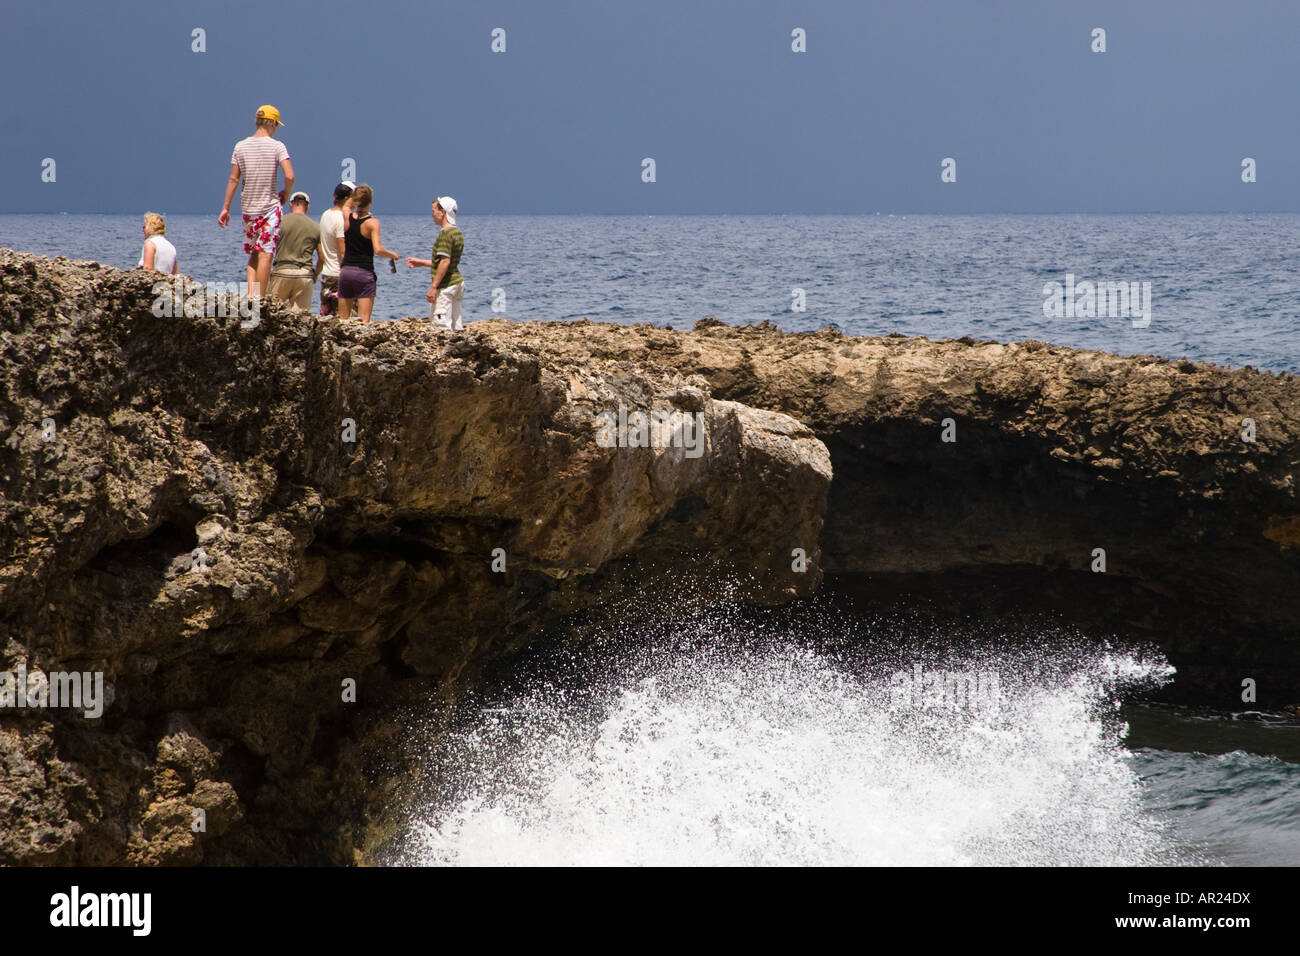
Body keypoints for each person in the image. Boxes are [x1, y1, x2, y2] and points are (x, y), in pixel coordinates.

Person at [218, 105, 294, 301]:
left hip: (248, 209)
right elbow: (290, 175)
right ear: (272, 123)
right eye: (276, 124)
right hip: (269, 208)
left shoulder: (240, 146)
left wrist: (226, 207)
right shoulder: (277, 146)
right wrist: (286, 192)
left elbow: (233, 179)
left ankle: (251, 296)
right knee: (266, 253)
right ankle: (260, 300)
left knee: (253, 253)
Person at [337, 184, 400, 323]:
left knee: (342, 321)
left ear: (355, 200)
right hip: (363, 273)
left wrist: (353, 197)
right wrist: (392, 255)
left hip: (346, 271)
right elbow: (378, 250)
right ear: (370, 201)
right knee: (363, 322)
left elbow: (346, 206)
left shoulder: (347, 216)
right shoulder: (372, 223)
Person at [405, 196, 464, 330]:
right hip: (457, 284)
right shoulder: (457, 232)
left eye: (433, 211)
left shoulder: (445, 234)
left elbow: (445, 261)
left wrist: (433, 287)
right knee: (456, 326)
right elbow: (448, 261)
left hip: (446, 286)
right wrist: (422, 262)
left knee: (441, 327)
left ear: (442, 212)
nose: (432, 215)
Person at [268, 191, 321, 310]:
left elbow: (268, 251)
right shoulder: (316, 227)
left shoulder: (278, 222)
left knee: (272, 314)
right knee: (301, 319)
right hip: (304, 274)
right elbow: (322, 258)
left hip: (282, 272)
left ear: (291, 204)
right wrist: (315, 274)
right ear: (307, 206)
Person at [318, 181, 353, 315]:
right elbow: (342, 250)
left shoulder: (325, 214)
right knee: (345, 317)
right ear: (346, 199)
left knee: (326, 317)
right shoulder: (341, 218)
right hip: (339, 274)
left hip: (327, 274)